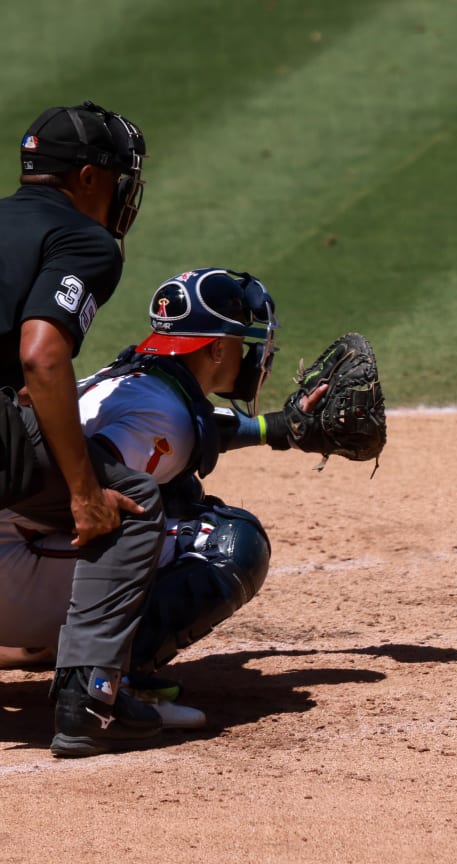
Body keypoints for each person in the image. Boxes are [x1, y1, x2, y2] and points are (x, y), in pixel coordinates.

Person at [0, 267, 292, 756]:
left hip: (13, 551)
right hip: (13, 563)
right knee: (224, 542)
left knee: (166, 505)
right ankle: (107, 685)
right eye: (241, 342)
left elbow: (178, 432)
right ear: (216, 349)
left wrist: (275, 428)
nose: (250, 355)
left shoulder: (130, 382)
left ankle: (40, 648)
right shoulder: (164, 416)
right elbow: (82, 501)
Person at [0, 102, 168, 754]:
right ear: (91, 178)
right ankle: (87, 699)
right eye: (121, 177)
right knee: (131, 503)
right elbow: (43, 354)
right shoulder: (85, 241)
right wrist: (83, 492)